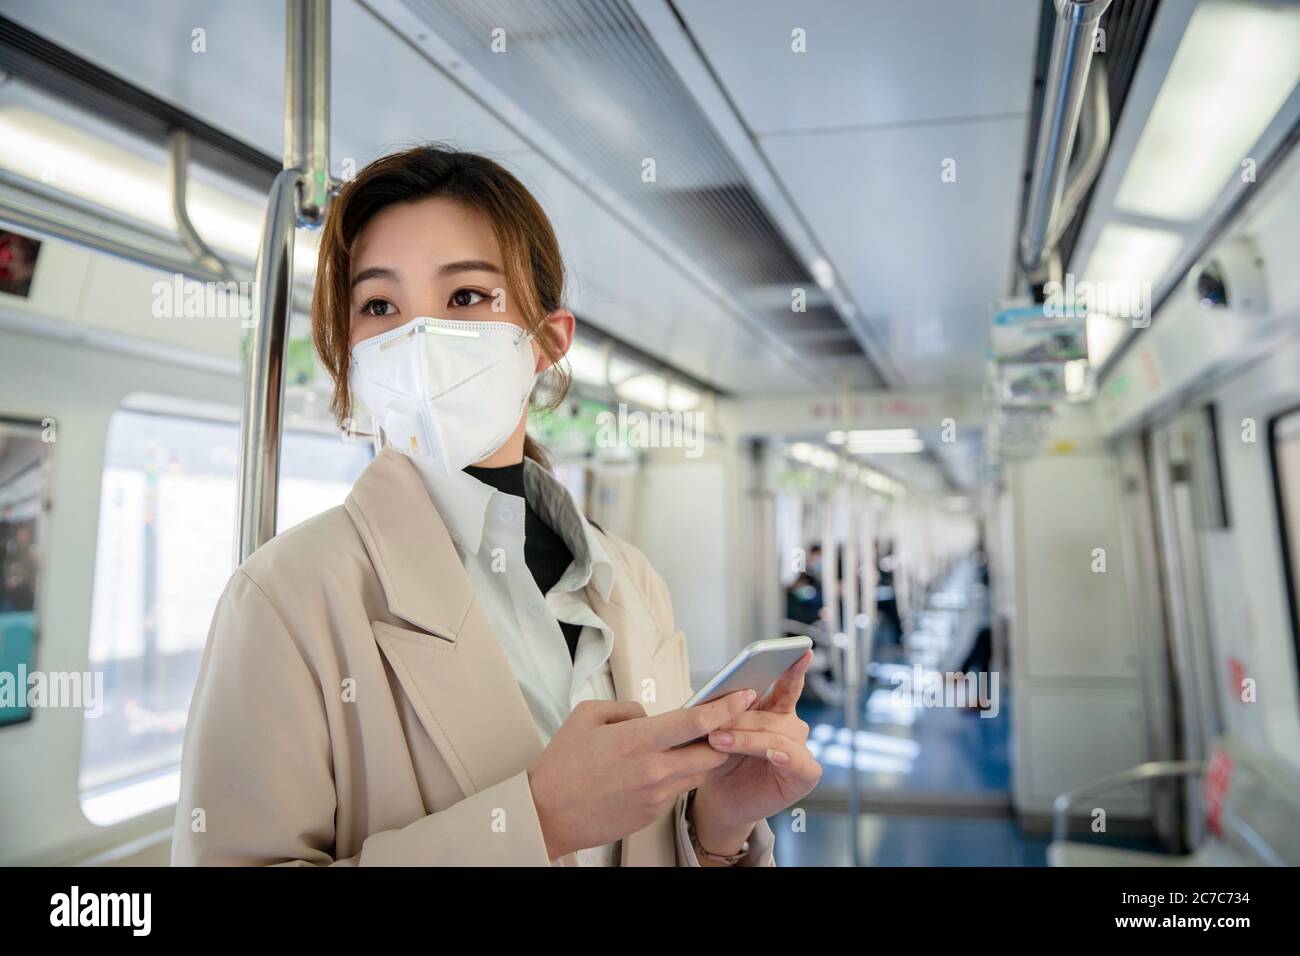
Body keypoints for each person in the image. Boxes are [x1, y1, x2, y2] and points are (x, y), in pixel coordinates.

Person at [172, 145, 821, 866]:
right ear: (349, 352)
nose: (419, 341)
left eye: (467, 298)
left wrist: (714, 830)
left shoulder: (632, 583)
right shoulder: (284, 599)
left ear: (546, 341)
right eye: (380, 305)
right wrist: (535, 823)